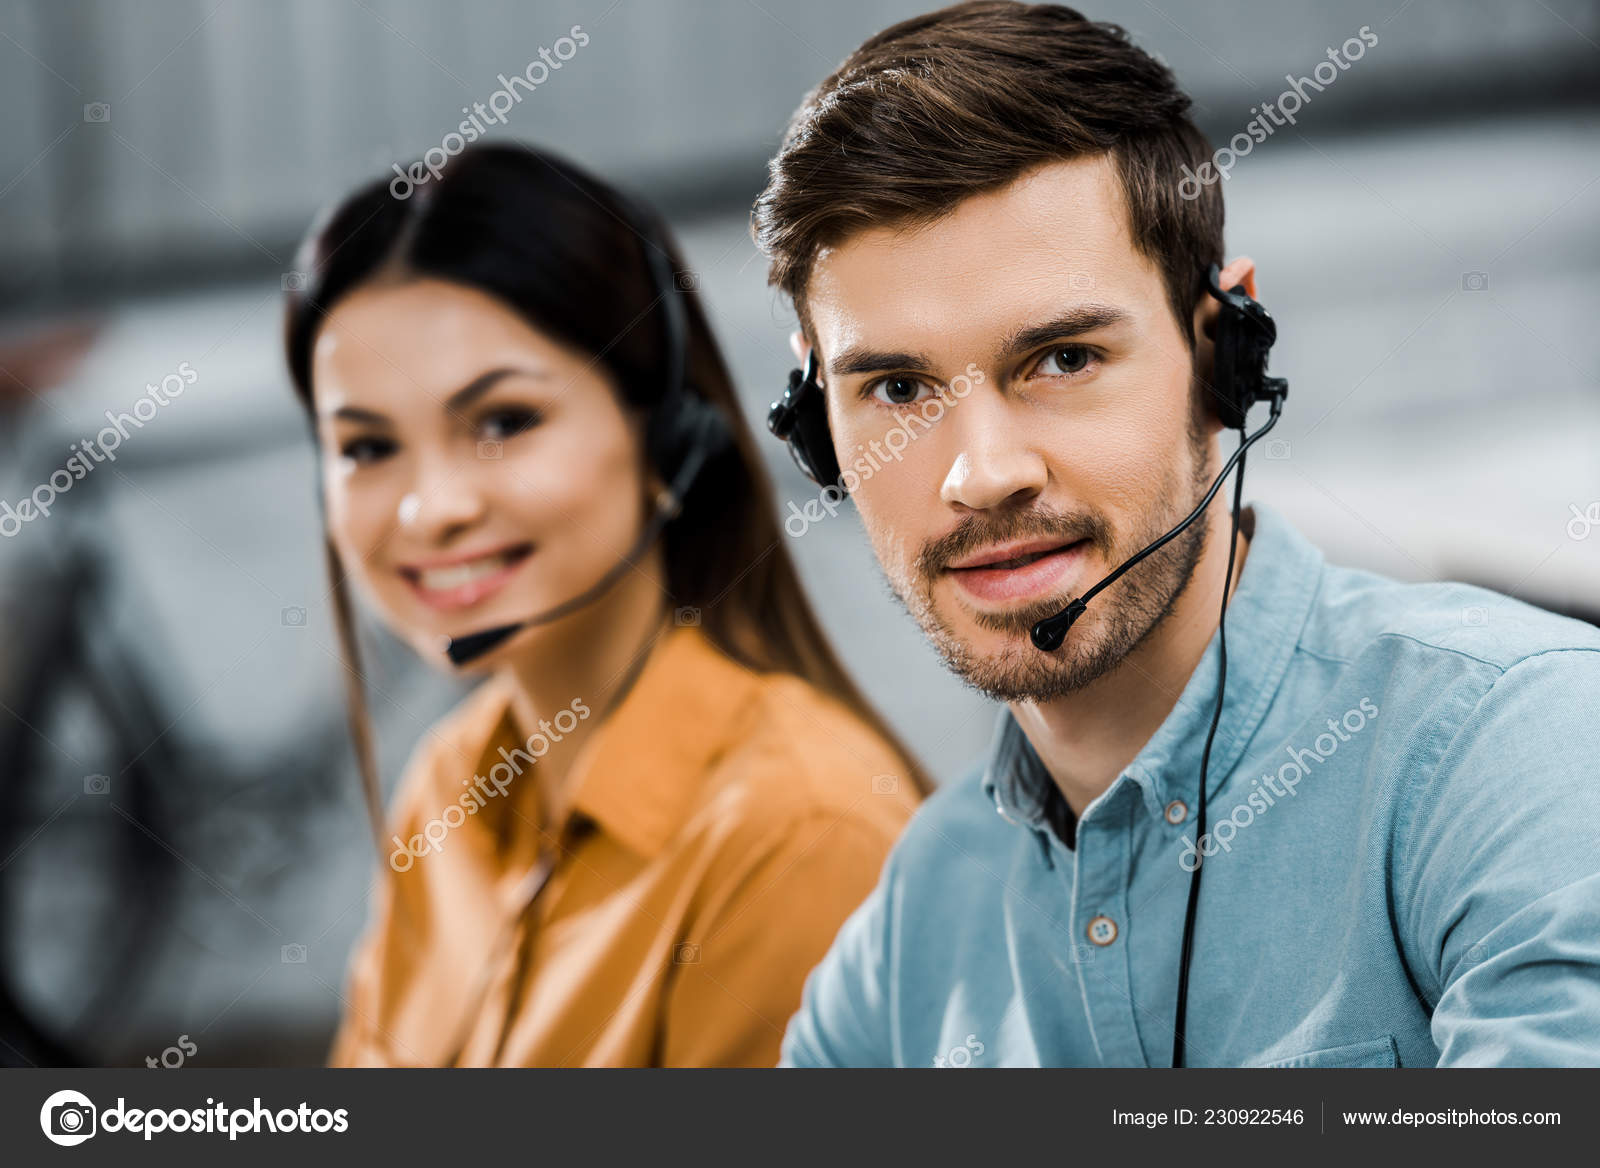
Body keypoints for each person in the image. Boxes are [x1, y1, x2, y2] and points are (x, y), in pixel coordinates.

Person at [754, 1, 1600, 1067]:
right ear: (816, 430)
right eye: (898, 386)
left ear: (1221, 356)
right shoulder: (905, 943)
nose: (980, 474)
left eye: (1061, 359)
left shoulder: (1517, 748)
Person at [282, 143, 927, 1067]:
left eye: (503, 422)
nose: (431, 509)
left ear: (669, 440)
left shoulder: (794, 836)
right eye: (366, 447)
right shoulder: (450, 786)